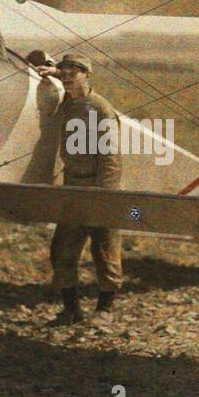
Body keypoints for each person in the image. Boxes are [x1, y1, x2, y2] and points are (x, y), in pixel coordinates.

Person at [46, 54, 122, 325]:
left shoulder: (101, 109)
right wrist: (53, 72)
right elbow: (62, 84)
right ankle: (71, 309)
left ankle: (105, 310)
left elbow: (111, 157)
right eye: (64, 73)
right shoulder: (68, 101)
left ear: (86, 74)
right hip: (72, 187)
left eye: (73, 73)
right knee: (62, 249)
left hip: (96, 187)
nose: (67, 77)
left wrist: (104, 195)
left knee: (104, 249)